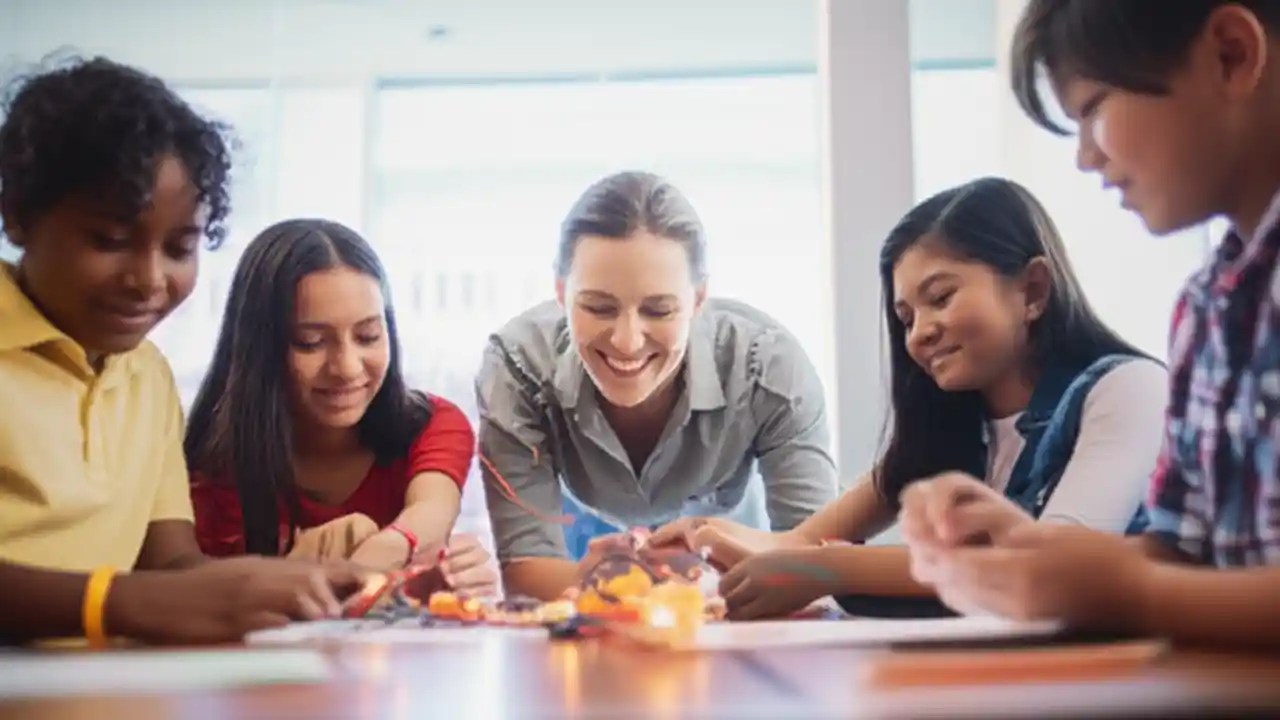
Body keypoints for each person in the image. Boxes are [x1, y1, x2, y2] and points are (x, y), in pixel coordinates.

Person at [899, 0, 1280, 649]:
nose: (1084, 157)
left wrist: (1133, 594)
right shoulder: (1204, 311)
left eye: (1093, 108)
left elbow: (1160, 584)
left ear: (1231, 55)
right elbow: (1183, 554)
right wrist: (1024, 550)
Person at [652, 177, 1167, 619]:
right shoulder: (943, 432)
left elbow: (1051, 565)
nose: (918, 333)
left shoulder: (1128, 390)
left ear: (1032, 290)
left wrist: (828, 568)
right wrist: (701, 536)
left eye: (940, 298)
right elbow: (796, 545)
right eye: (905, 318)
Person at [0, 57, 362, 646]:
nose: (148, 279)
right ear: (17, 215)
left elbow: (171, 567)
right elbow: (140, 597)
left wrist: (277, 582)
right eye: (110, 241)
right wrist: (113, 602)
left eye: (178, 247)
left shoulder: (147, 375)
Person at [476, 170, 838, 600]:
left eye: (660, 310)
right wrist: (584, 580)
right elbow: (526, 574)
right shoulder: (518, 366)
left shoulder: (769, 368)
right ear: (560, 292)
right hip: (580, 535)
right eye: (598, 307)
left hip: (736, 542)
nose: (626, 341)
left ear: (698, 300)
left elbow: (818, 561)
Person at [186, 219, 497, 595]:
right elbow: (201, 606)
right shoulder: (213, 470)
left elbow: (431, 513)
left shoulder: (431, 423)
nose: (347, 368)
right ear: (259, 349)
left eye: (368, 336)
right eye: (311, 342)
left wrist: (389, 555)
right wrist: (295, 575)